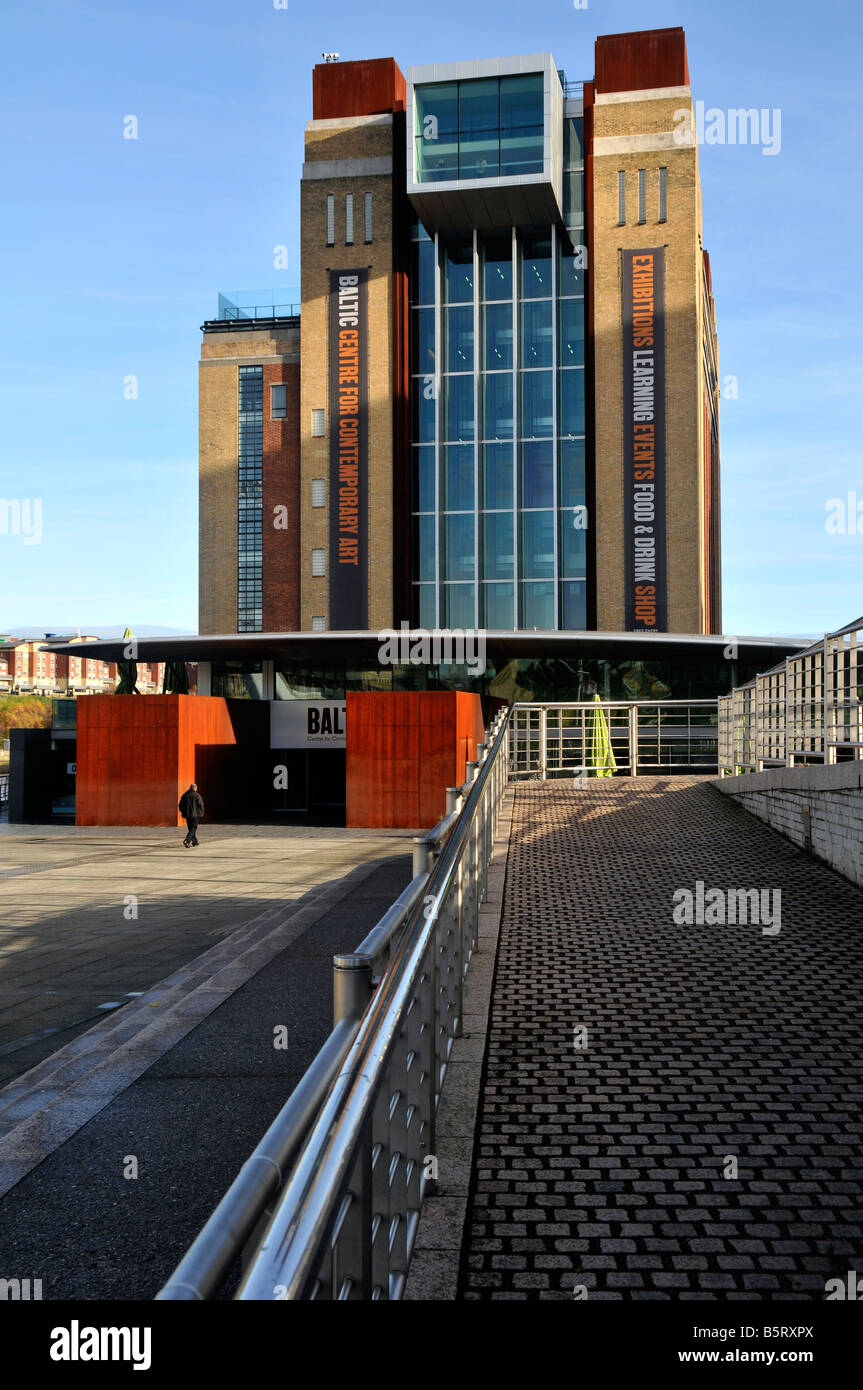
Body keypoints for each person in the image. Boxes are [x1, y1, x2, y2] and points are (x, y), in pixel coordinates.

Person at [178, 783, 205, 847]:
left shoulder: (185, 795)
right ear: (195, 788)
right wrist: (201, 813)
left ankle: (195, 842)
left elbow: (180, 805)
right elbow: (201, 805)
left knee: (191, 829)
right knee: (193, 828)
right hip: (195, 815)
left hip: (187, 815)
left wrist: (182, 811)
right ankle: (187, 841)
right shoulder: (197, 795)